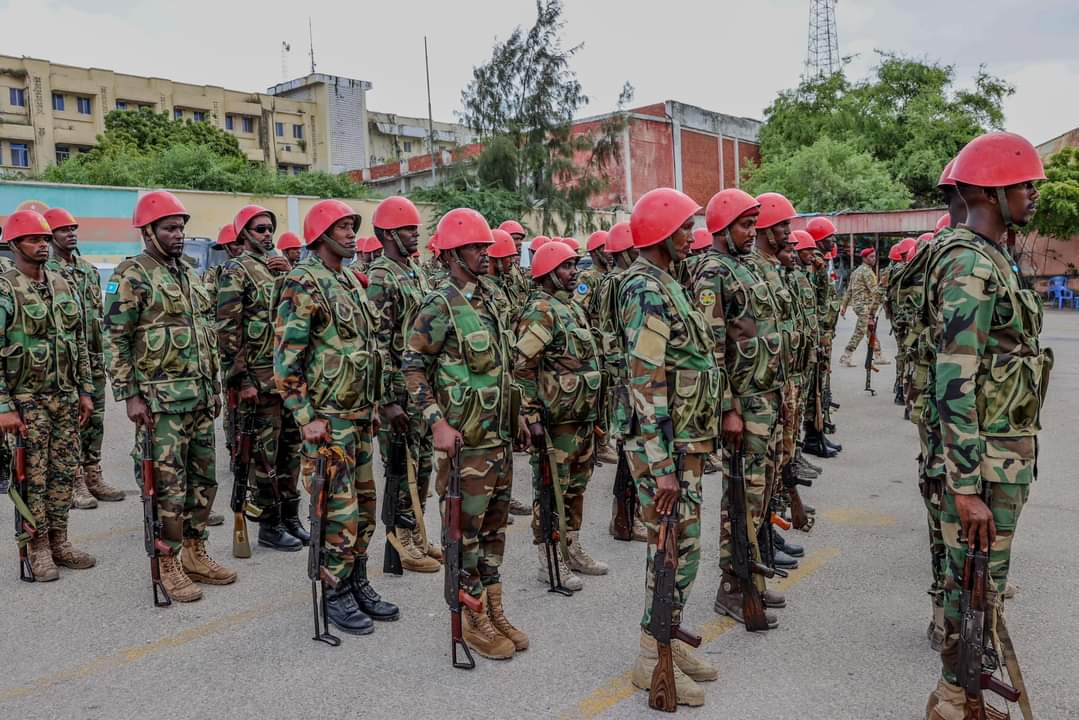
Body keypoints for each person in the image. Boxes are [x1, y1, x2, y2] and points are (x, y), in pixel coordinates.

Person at [923, 132, 1049, 717]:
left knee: (981, 584)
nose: (1031, 191)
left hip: (1005, 453)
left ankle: (959, 695)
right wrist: (966, 485)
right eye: (1021, 183)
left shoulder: (994, 256)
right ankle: (956, 697)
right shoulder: (969, 263)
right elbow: (956, 376)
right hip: (985, 462)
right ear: (989, 192)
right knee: (970, 585)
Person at [402, 207, 528, 661]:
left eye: (485, 247)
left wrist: (521, 417)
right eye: (476, 248)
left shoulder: (490, 297)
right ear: (454, 252)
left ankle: (494, 607)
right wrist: (436, 420)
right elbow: (413, 367)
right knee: (465, 533)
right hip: (464, 441)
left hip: (496, 437)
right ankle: (471, 614)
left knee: (494, 531)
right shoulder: (438, 306)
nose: (485, 255)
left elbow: (503, 368)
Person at [274, 199, 398, 634]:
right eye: (342, 228)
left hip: (358, 416)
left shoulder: (348, 280)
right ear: (321, 235)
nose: (350, 234)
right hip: (327, 419)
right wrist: (304, 416)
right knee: (336, 510)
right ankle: (334, 591)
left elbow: (367, 351)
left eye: (351, 227)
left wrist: (376, 403)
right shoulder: (302, 282)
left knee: (364, 507)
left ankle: (356, 579)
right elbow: (287, 359)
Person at [104, 191, 234, 602]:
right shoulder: (132, 275)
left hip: (197, 397)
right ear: (148, 231)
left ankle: (195, 551)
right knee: (168, 487)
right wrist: (129, 395)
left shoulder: (191, 274)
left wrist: (213, 386)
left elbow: (205, 336)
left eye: (181, 227)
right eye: (169, 228)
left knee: (203, 481)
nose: (179, 234)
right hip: (160, 405)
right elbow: (116, 338)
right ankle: (168, 560)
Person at [620, 188, 719, 707]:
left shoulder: (669, 282)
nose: (691, 236)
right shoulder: (644, 289)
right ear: (660, 233)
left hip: (685, 440)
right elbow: (645, 378)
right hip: (663, 445)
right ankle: (649, 653)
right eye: (684, 228)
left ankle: (668, 636)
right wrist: (660, 464)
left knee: (683, 547)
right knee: (671, 547)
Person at [690, 189, 788, 627]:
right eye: (746, 225)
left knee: (760, 492)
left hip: (765, 395)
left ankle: (750, 578)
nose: (753, 232)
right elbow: (710, 350)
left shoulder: (745, 265)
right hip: (743, 403)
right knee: (741, 498)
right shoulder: (712, 271)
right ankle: (733, 585)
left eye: (754, 224)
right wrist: (728, 408)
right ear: (723, 226)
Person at [0, 209, 95, 581]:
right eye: (33, 240)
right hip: (27, 401)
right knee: (31, 477)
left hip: (65, 398)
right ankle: (35, 547)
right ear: (13, 244)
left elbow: (79, 342)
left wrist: (85, 389)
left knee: (62, 473)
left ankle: (60, 540)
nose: (42, 245)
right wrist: (4, 406)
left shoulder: (61, 282)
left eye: (44, 239)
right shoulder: (5, 287)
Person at [514, 241, 607, 592]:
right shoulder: (541, 310)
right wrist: (531, 415)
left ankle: (572, 547)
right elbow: (524, 366)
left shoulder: (571, 308)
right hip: (555, 419)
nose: (574, 273)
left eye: (574, 266)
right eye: (567, 267)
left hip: (579, 415)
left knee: (577, 487)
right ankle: (550, 558)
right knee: (552, 488)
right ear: (549, 273)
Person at [217, 205, 306, 552]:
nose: (267, 234)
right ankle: (270, 524)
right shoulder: (236, 271)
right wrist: (243, 380)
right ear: (243, 235)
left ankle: (290, 516)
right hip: (260, 381)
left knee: (291, 452)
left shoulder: (280, 267)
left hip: (287, 380)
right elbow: (228, 329)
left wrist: (290, 273)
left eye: (270, 228)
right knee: (264, 456)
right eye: (259, 229)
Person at [365, 196, 440, 573]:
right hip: (398, 391)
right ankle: (399, 535)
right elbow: (376, 342)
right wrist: (385, 400)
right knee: (400, 464)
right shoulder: (381, 275)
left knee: (423, 463)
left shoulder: (414, 271)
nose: (416, 234)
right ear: (390, 233)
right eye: (410, 229)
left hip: (420, 388)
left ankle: (418, 530)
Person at [44, 208, 126, 508]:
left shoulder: (88, 270)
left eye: (73, 228)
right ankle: (74, 481)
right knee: (70, 422)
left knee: (96, 419)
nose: (71, 233)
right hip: (64, 362)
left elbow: (99, 315)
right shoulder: (47, 271)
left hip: (92, 357)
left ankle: (93, 474)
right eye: (64, 229)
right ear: (50, 236)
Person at [592, 223, 646, 538]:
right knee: (630, 448)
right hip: (624, 376)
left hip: (626, 372)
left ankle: (627, 517)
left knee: (632, 448)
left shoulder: (622, 280)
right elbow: (611, 333)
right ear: (624, 252)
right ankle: (624, 518)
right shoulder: (616, 282)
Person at [839, 247, 888, 367]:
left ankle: (878, 355)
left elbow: (849, 291)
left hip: (858, 306)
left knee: (870, 330)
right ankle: (846, 356)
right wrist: (885, 299)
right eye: (871, 257)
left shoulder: (856, 271)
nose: (874, 259)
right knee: (860, 331)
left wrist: (844, 306)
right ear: (864, 258)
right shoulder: (867, 272)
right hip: (864, 306)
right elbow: (875, 291)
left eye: (874, 256)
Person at [574, 230, 609, 313]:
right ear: (594, 252)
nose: (610, 252)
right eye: (605, 249)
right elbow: (579, 307)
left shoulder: (612, 274)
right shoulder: (586, 277)